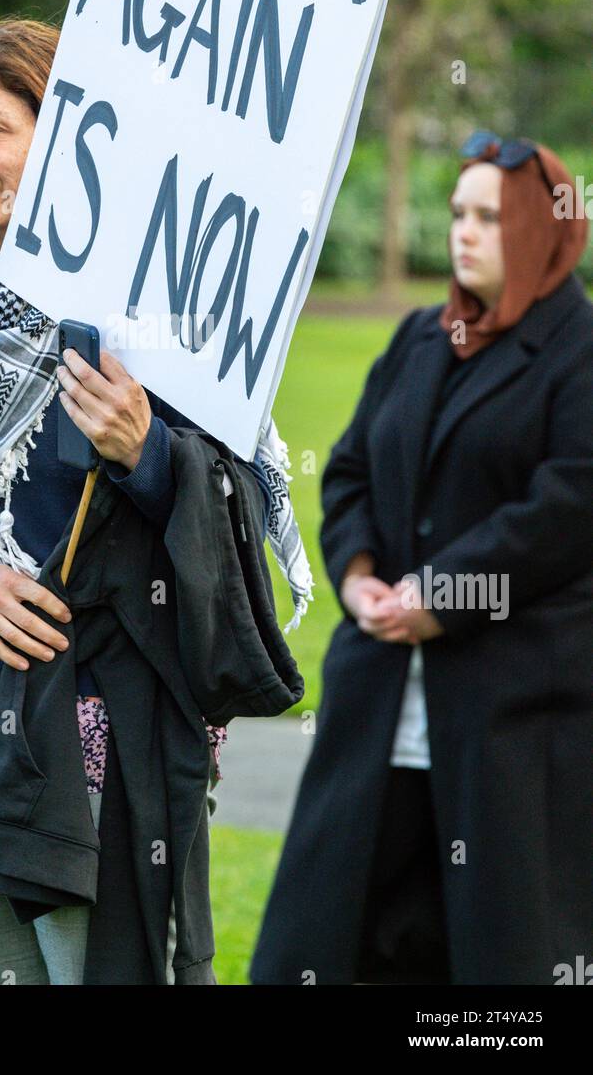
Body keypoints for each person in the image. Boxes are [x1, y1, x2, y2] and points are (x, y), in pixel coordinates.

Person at [0, 15, 313, 985]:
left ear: (64, 135)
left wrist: (143, 450)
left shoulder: (156, 312)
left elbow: (222, 523)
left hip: (104, 735)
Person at [249, 131, 593, 986]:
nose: (464, 234)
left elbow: (566, 509)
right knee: (335, 946)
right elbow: (354, 468)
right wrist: (359, 571)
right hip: (378, 710)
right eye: (458, 214)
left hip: (511, 722)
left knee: (495, 968)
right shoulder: (419, 337)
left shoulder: (581, 357)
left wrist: (443, 596)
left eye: (491, 217)